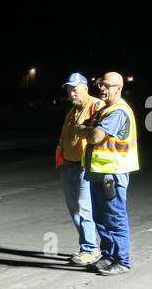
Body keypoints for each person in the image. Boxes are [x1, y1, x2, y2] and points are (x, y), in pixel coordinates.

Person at [83, 72, 139, 276]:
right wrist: (88, 130)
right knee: (100, 217)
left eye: (107, 85)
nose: (102, 89)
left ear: (119, 88)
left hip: (112, 174)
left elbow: (95, 135)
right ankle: (108, 254)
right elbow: (83, 128)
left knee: (115, 218)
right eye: (100, 85)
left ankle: (122, 260)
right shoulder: (104, 110)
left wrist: (88, 132)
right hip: (99, 172)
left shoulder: (118, 111)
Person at [56, 73, 103, 266]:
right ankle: (90, 246)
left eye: (75, 87)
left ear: (85, 87)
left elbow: (99, 135)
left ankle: (90, 249)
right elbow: (65, 137)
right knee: (74, 209)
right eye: (69, 88)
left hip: (85, 166)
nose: (71, 91)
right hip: (68, 165)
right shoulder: (72, 111)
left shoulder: (96, 106)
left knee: (85, 209)